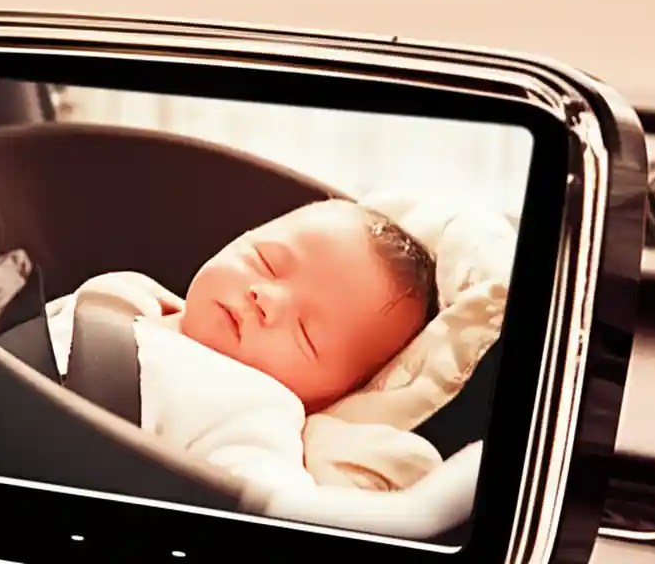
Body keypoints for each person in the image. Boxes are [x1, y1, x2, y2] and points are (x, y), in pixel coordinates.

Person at [46, 198, 482, 539]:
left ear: (327, 397)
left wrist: (421, 512)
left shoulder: (254, 408)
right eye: (266, 261)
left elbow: (286, 514)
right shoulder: (130, 294)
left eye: (306, 332)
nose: (266, 300)